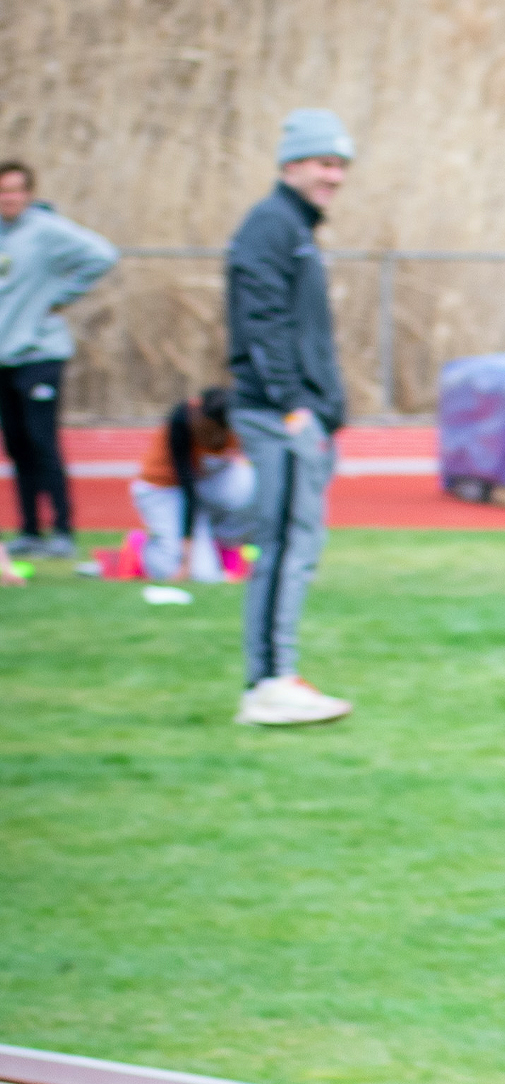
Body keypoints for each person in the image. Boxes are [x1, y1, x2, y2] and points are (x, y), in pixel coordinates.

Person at [226, 109, 355, 727]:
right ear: (291, 165)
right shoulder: (270, 227)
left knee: (296, 543)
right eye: (323, 162)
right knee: (283, 546)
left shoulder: (292, 227)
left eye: (339, 165)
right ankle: (269, 681)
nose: (333, 175)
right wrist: (294, 406)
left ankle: (276, 674)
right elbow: (262, 324)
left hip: (298, 414)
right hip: (280, 415)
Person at [0, 159, 119, 561]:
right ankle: (30, 530)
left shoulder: (47, 231)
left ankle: (63, 530)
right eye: (2, 191)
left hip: (40, 354)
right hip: (5, 357)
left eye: (16, 190)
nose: (9, 198)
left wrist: (59, 298)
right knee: (16, 445)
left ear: (28, 193)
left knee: (41, 440)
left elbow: (102, 255)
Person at [130, 388, 256, 583]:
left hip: (206, 483)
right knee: (202, 576)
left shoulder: (237, 421)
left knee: (251, 483)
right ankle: (142, 547)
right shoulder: (183, 419)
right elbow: (187, 492)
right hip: (166, 490)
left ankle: (222, 544)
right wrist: (186, 560)